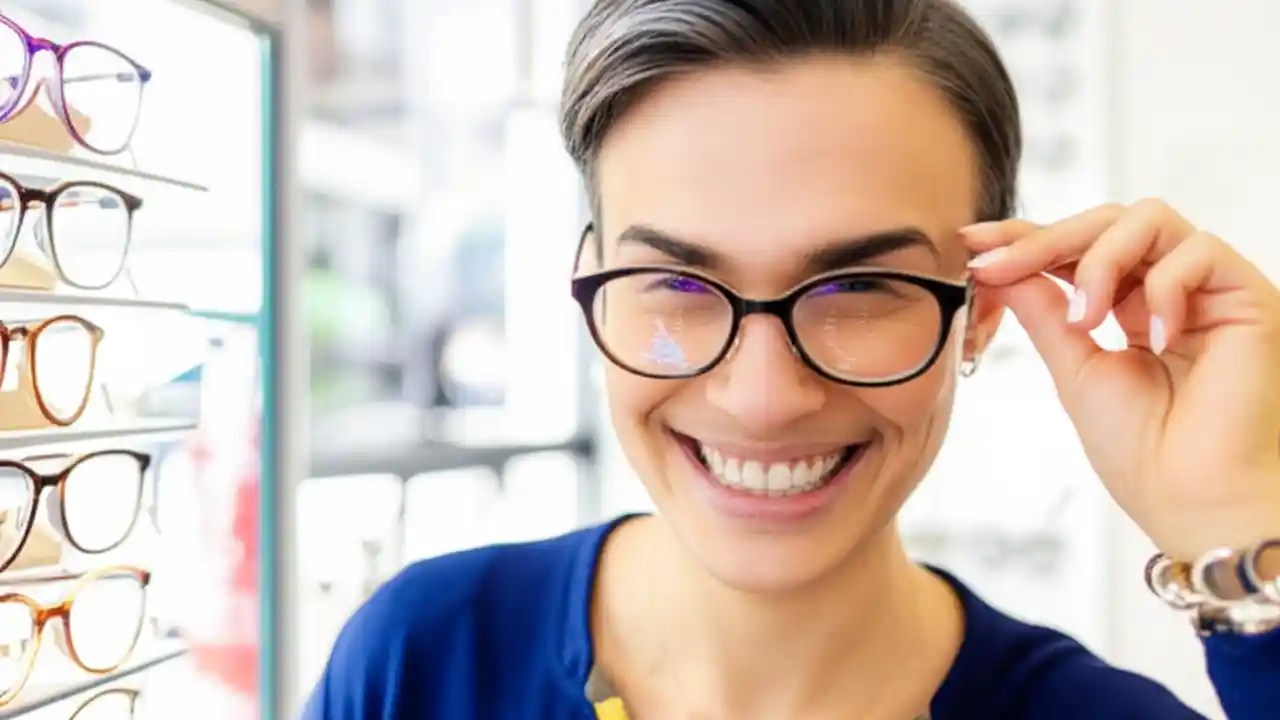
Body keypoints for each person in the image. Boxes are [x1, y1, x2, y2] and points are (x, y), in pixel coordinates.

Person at [303, 1, 1280, 718]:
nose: (763, 400)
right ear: (587, 279)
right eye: (676, 285)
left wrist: (1238, 521)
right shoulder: (428, 658)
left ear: (977, 312)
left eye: (857, 287)